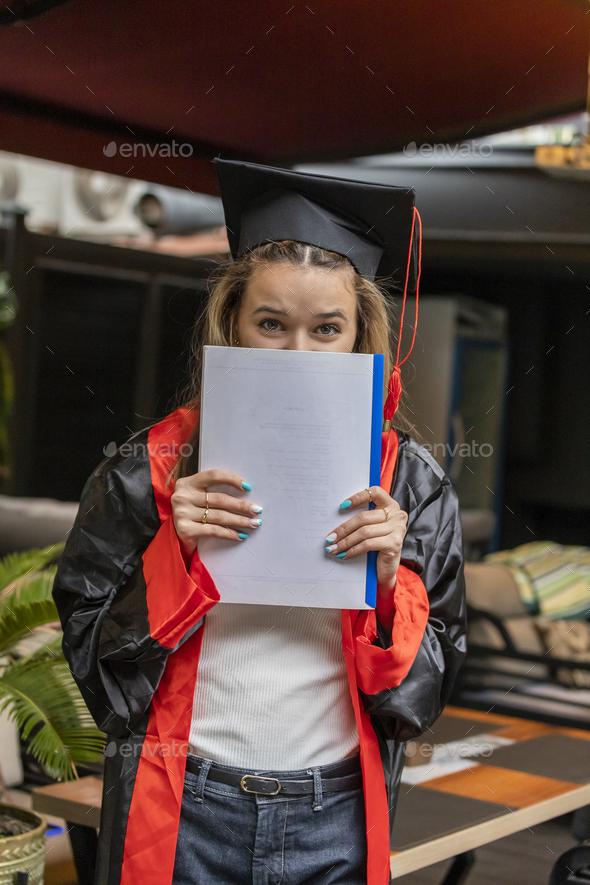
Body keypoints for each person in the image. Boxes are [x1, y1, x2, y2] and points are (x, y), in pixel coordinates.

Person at [53, 159, 466, 885]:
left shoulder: (409, 484)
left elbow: (416, 703)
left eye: (326, 328)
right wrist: (173, 553)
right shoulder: (147, 469)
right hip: (185, 810)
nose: (297, 352)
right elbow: (99, 678)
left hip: (331, 813)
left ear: (359, 335)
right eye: (271, 323)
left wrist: (390, 579)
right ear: (232, 323)